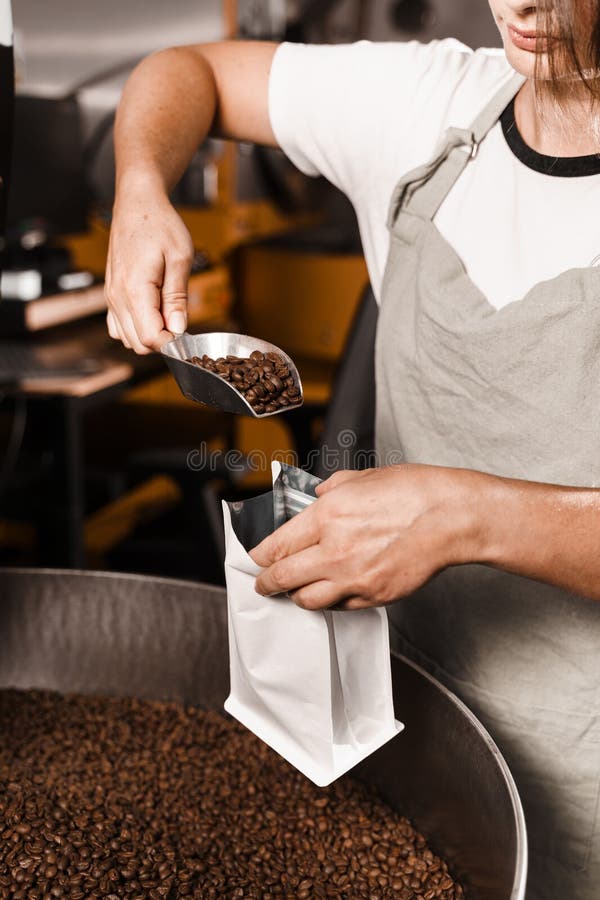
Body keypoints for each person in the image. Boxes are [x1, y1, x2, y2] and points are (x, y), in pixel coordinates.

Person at [106, 2, 600, 896]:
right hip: (414, 761)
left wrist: (469, 516)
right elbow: (190, 71)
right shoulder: (430, 106)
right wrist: (142, 188)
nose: (524, 5)